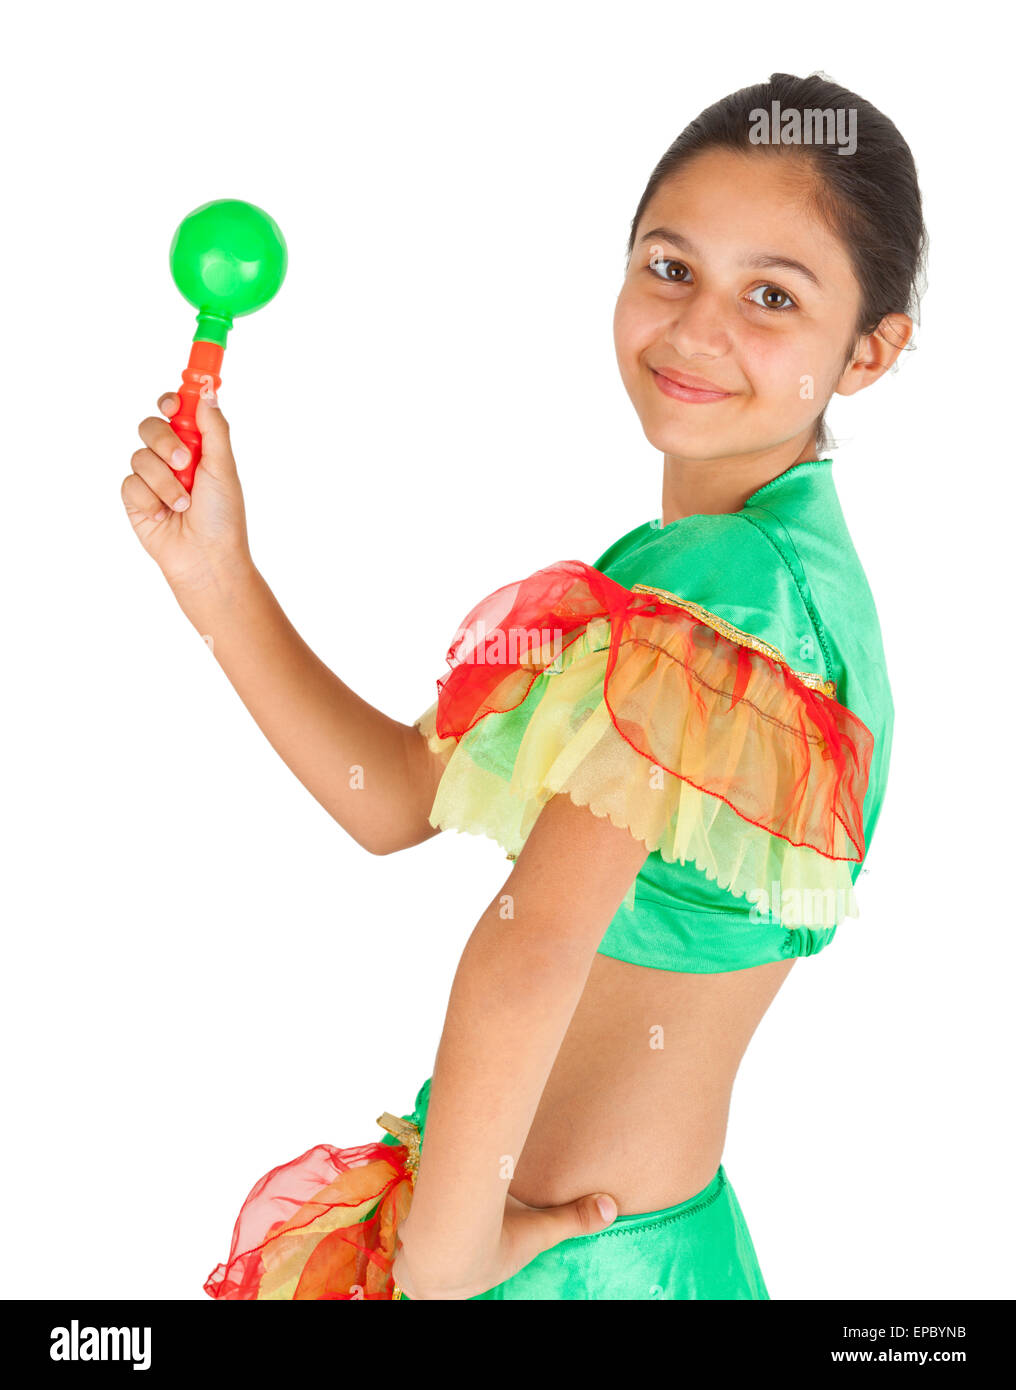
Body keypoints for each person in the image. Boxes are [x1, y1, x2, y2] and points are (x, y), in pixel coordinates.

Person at [122, 70, 926, 1300]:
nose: (697, 327)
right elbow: (393, 794)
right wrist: (220, 580)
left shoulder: (721, 595)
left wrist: (440, 1270)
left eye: (771, 295)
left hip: (565, 1271)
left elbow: (529, 951)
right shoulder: (697, 587)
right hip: (629, 1246)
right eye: (669, 267)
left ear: (867, 351)